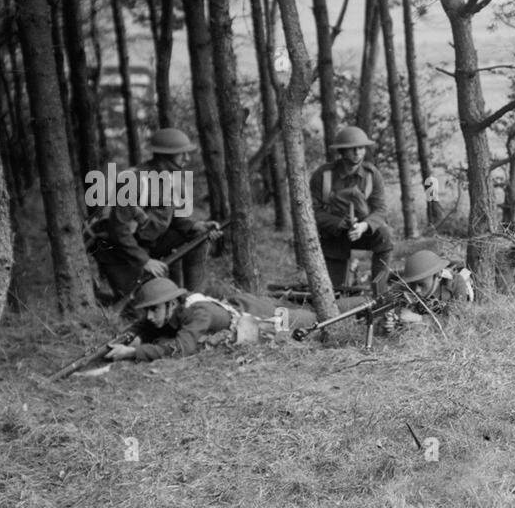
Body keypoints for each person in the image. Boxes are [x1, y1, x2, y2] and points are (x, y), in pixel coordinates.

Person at [89, 128, 223, 299]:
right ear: (164, 155)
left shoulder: (172, 179)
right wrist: (145, 261)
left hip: (147, 243)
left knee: (199, 237)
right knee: (138, 307)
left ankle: (193, 299)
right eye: (181, 154)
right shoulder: (134, 180)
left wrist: (197, 226)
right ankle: (98, 297)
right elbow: (118, 229)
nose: (187, 159)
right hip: (117, 250)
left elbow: (171, 217)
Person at [105, 278, 314, 363]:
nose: (150, 316)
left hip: (261, 317)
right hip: (244, 307)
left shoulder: (198, 314)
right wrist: (131, 335)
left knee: (314, 316)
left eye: (154, 309)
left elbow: (182, 349)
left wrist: (133, 352)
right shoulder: (176, 310)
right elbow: (145, 325)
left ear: (171, 304)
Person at [309, 125, 393, 295]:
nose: (357, 153)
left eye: (361, 148)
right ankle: (345, 288)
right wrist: (338, 223)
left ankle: (379, 292)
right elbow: (312, 212)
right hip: (333, 233)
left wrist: (364, 226)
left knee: (385, 236)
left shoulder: (372, 175)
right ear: (342, 151)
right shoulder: (323, 175)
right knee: (336, 292)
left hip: (362, 232)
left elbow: (380, 209)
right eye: (352, 149)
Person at [377, 249, 474, 331]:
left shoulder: (455, 283)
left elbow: (456, 322)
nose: (416, 290)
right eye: (413, 284)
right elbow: (385, 313)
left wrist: (419, 319)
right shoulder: (406, 284)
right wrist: (388, 322)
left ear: (438, 276)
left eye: (421, 284)